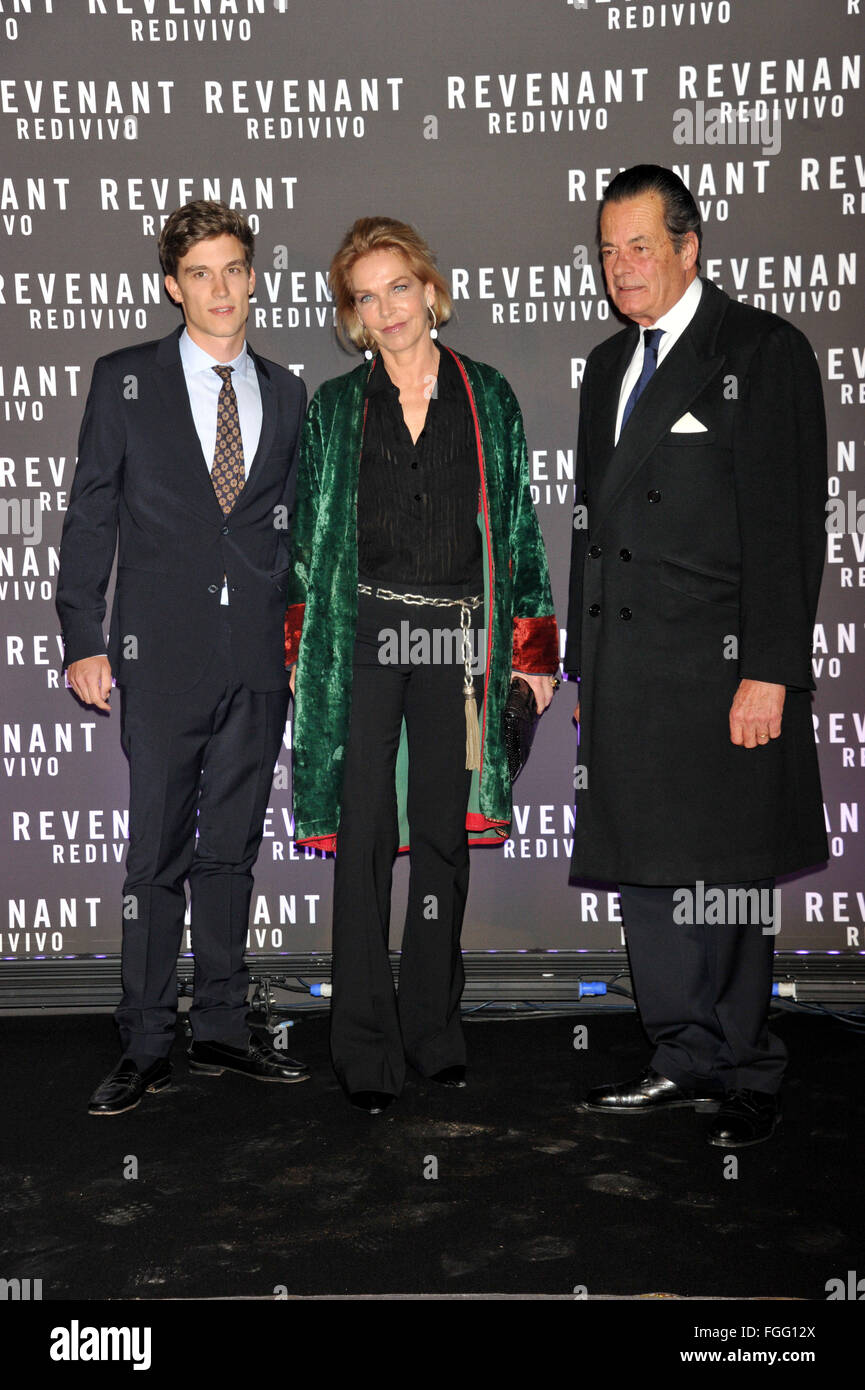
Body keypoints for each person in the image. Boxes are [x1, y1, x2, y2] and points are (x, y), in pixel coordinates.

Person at [565, 166, 827, 1147]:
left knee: (726, 872)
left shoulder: (759, 351)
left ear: (689, 247)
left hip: (721, 674)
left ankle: (747, 1066)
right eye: (606, 250)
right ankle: (679, 1055)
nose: (620, 267)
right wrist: (584, 669)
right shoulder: (604, 367)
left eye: (640, 246)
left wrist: (767, 669)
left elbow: (785, 524)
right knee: (647, 875)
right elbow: (592, 536)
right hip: (631, 672)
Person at [286, 217, 558, 1113]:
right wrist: (299, 654)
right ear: (352, 317)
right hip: (362, 640)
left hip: (452, 642)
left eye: (396, 287)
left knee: (440, 841)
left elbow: (518, 531)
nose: (385, 309)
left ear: (429, 291)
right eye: (364, 297)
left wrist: (534, 655)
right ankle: (363, 1048)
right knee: (362, 842)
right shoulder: (332, 408)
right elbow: (305, 551)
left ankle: (435, 1031)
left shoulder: (488, 395)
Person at [56, 200, 309, 1114]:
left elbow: (290, 537)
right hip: (156, 658)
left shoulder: (286, 392)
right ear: (173, 286)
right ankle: (146, 1039)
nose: (220, 288)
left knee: (232, 852)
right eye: (199, 272)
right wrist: (84, 638)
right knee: (154, 856)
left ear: (252, 276)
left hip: (257, 662)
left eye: (234, 268)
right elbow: (90, 515)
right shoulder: (124, 379)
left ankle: (224, 1031)